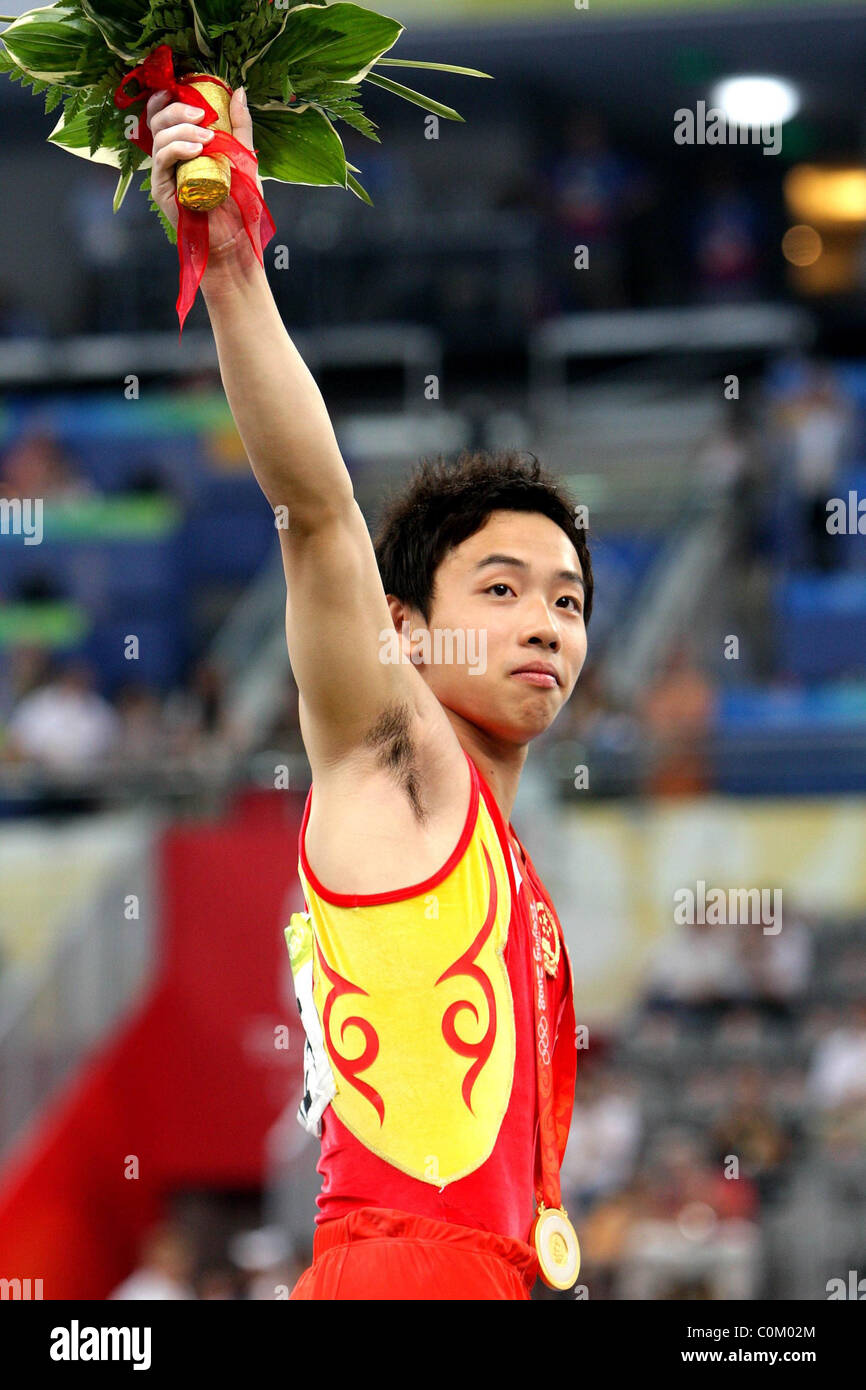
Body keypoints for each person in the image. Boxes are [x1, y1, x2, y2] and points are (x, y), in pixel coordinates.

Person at [146, 86, 593, 1301]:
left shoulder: (504, 850)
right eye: (499, 588)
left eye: (565, 598)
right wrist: (230, 254)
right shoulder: (395, 751)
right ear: (404, 629)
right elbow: (318, 517)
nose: (545, 623)